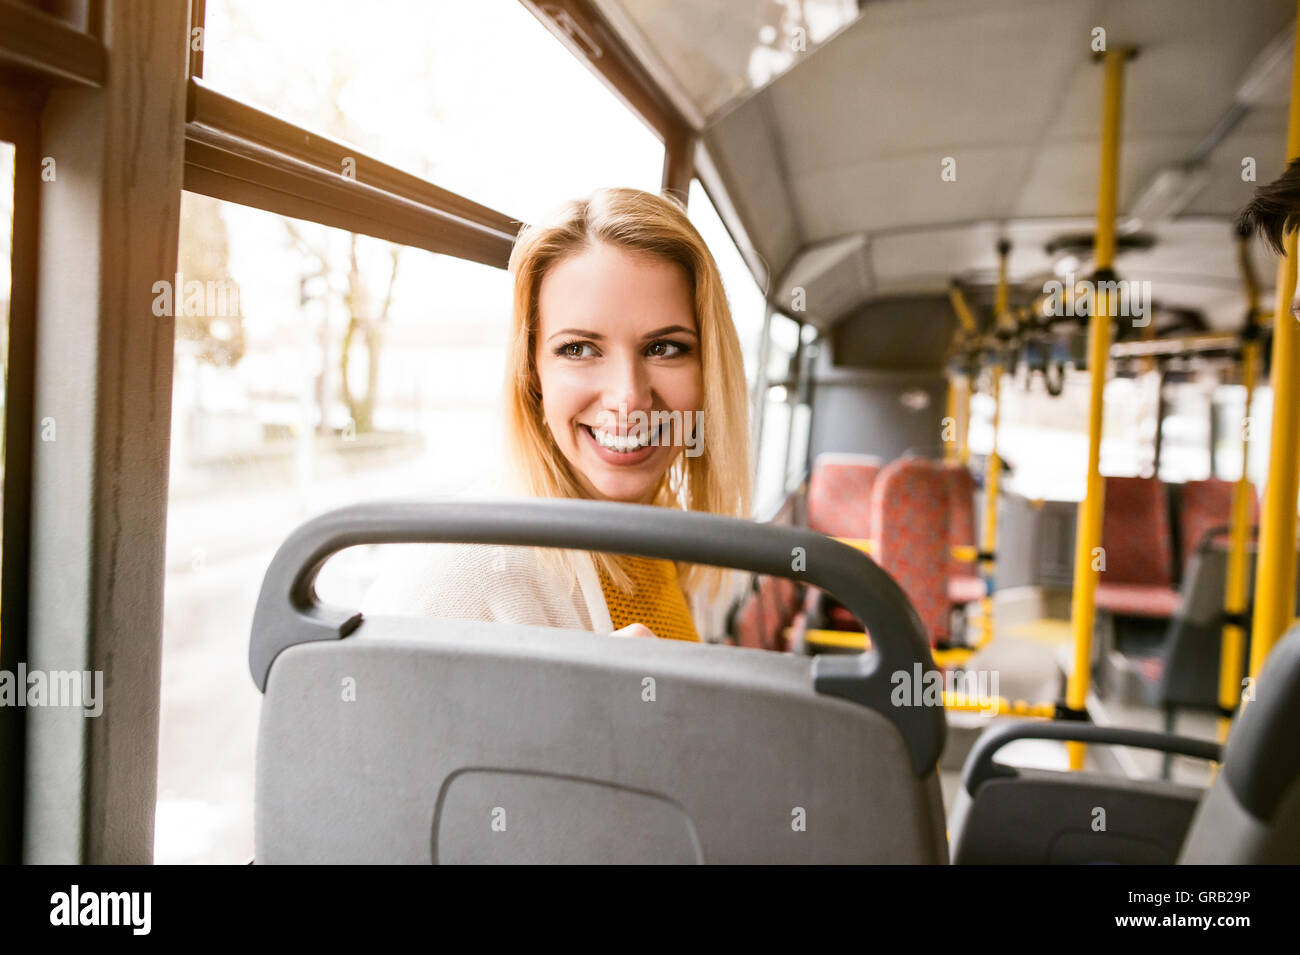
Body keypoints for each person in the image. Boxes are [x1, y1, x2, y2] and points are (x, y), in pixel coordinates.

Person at [361, 187, 751, 641]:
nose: (628, 398)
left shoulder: (665, 536)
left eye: (664, 348)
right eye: (579, 349)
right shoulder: (464, 569)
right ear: (532, 373)